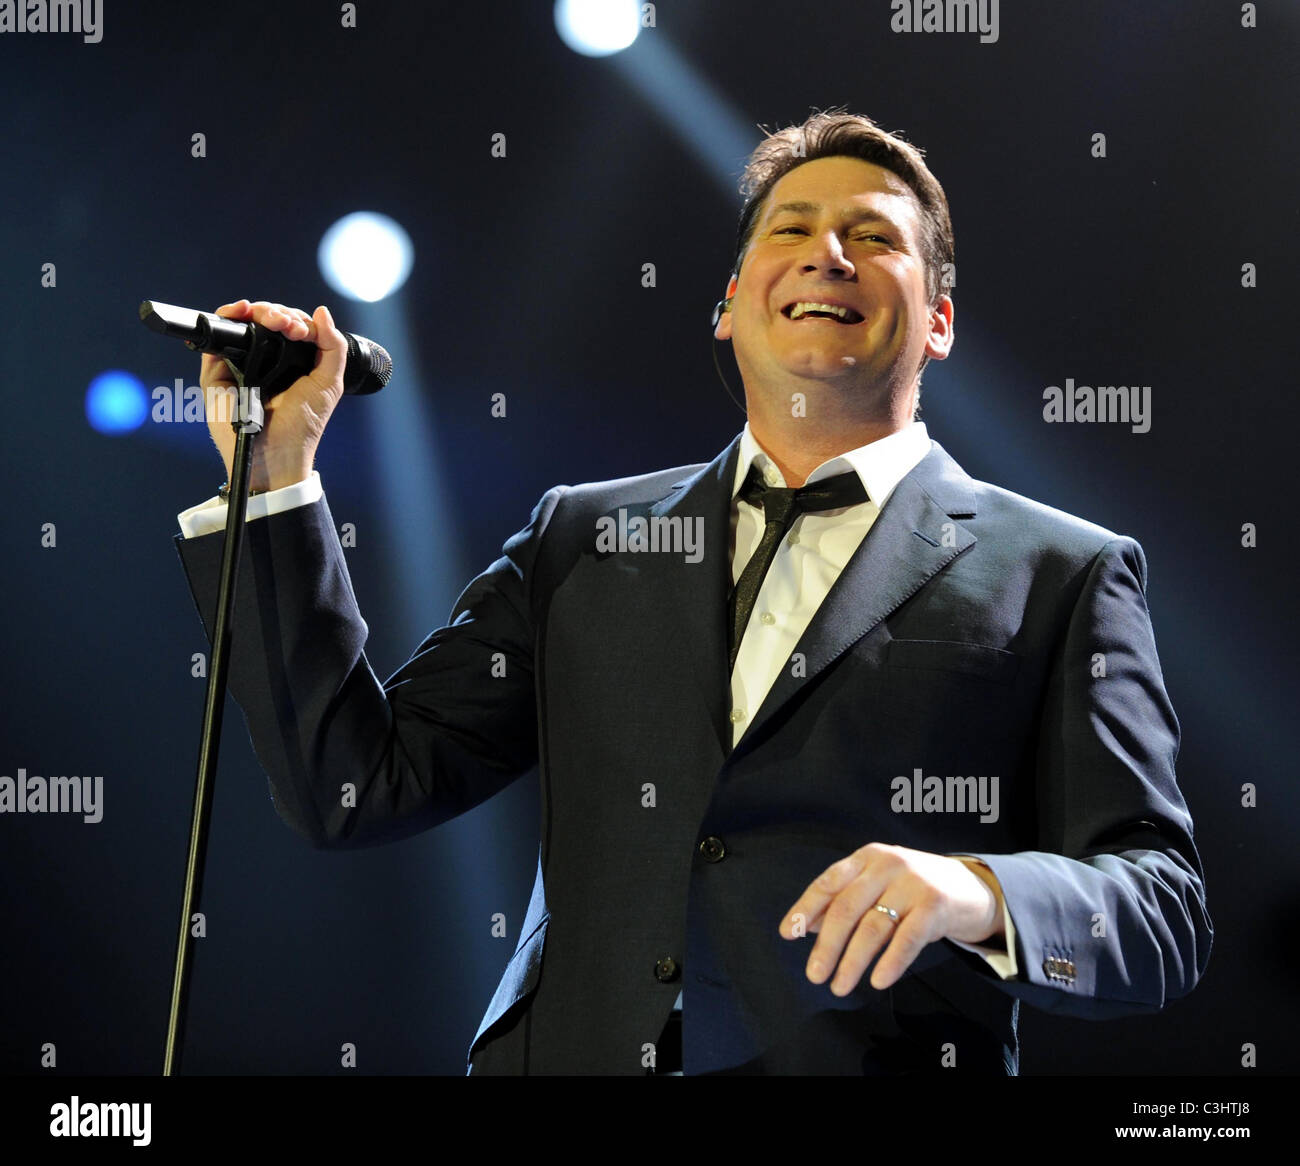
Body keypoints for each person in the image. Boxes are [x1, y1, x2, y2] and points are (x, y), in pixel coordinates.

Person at [175, 110, 1212, 1075]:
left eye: (875, 235)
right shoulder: (579, 535)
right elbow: (354, 786)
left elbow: (1159, 911)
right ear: (727, 308)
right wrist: (271, 480)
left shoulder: (1061, 569)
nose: (828, 252)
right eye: (791, 228)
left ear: (937, 321)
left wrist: (978, 890)